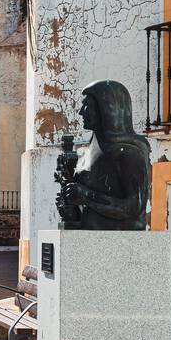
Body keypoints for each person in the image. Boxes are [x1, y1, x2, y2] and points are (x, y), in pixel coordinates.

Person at [56, 80, 151, 230]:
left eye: (87, 105)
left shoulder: (128, 154)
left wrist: (85, 195)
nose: (81, 112)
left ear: (106, 109)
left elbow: (133, 207)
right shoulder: (88, 153)